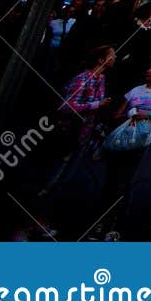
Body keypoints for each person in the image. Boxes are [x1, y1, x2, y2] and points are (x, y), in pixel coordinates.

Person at [99, 57, 151, 239]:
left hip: (141, 139)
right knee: (111, 179)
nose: (148, 70)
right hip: (122, 137)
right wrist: (125, 114)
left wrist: (146, 114)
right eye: (148, 67)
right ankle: (102, 219)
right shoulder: (135, 90)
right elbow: (118, 113)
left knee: (124, 180)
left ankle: (115, 223)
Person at [44, 45, 114, 193]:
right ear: (101, 60)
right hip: (71, 131)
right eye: (111, 55)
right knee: (58, 167)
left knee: (70, 170)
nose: (115, 58)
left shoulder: (101, 78)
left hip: (85, 132)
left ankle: (54, 196)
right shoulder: (83, 79)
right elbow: (66, 106)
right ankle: (43, 193)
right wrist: (96, 104)